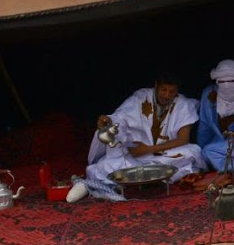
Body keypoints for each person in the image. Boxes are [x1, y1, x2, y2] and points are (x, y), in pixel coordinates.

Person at [79, 73, 206, 201]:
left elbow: (183, 140)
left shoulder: (184, 104)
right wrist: (108, 120)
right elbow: (120, 118)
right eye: (163, 90)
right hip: (136, 153)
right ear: (156, 86)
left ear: (177, 91)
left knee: (191, 152)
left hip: (164, 153)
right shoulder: (140, 97)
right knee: (110, 157)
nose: (167, 95)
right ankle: (151, 178)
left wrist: (148, 149)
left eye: (171, 91)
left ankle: (145, 178)